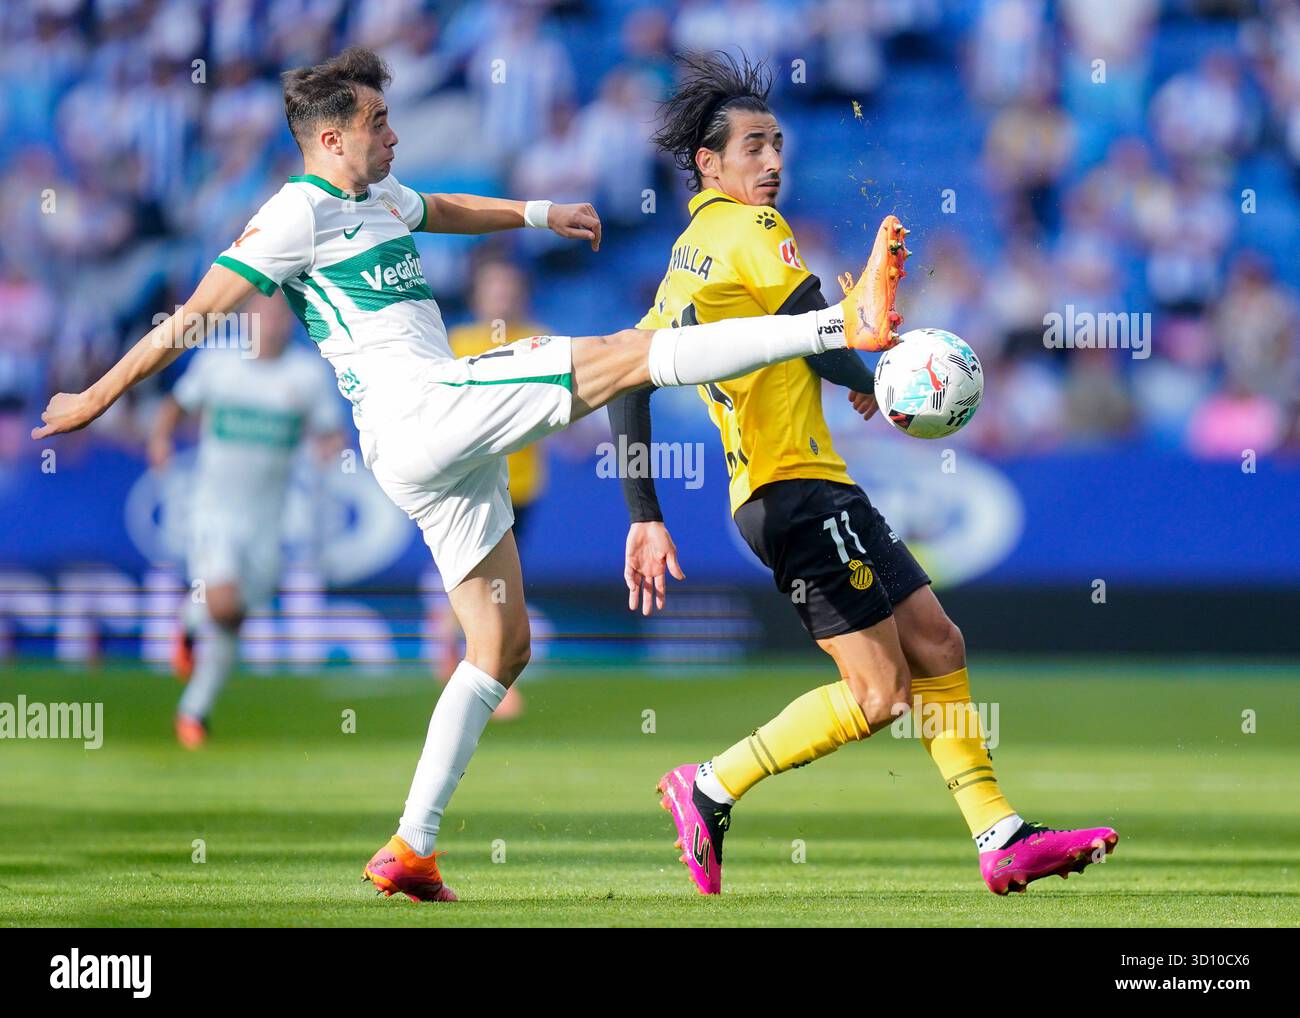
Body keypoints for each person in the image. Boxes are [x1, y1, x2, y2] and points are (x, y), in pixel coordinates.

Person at [32, 47, 905, 903]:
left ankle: (412, 845)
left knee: (501, 646)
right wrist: (97, 395)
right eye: (378, 122)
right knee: (628, 354)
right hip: (424, 407)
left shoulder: (374, 194)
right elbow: (192, 316)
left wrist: (537, 213)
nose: (394, 135)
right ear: (330, 139)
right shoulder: (293, 214)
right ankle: (837, 327)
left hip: (429, 455)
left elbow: (440, 207)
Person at [610, 52, 1117, 896]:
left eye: (779, 145)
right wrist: (876, 363)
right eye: (754, 148)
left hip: (798, 490)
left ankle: (1000, 835)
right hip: (795, 492)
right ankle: (709, 784)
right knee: (880, 693)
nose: (773, 163)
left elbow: (629, 372)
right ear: (708, 163)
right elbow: (818, 317)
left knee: (936, 643)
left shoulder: (687, 257)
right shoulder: (751, 230)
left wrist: (643, 512)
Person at [149, 292, 346, 748]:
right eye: (262, 312)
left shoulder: (306, 376)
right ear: (245, 318)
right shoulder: (219, 366)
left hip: (268, 521)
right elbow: (177, 404)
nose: (271, 322)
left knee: (233, 615)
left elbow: (329, 431)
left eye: (279, 314)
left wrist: (330, 450)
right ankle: (192, 624)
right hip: (214, 512)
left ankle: (193, 711)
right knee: (223, 602)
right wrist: (161, 439)